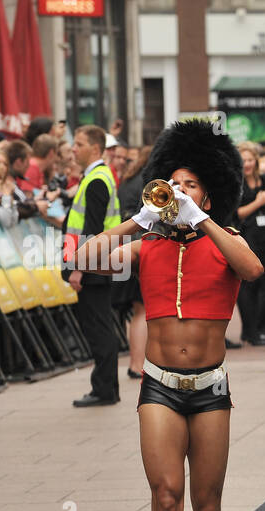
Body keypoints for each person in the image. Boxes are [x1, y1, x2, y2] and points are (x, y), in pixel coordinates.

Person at [75, 119, 259, 511]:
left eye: (192, 185)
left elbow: (250, 267)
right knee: (165, 502)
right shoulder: (147, 247)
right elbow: (83, 259)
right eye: (173, 184)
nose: (181, 192)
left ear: (210, 193)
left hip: (210, 390)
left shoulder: (225, 244)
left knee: (207, 508)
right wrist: (138, 220)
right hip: (159, 387)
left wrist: (202, 221)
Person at [62, 124, 122, 407]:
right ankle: (107, 388)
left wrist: (78, 268)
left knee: (98, 328)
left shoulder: (96, 179)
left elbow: (93, 230)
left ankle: (104, 390)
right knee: (100, 326)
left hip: (94, 267)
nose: (73, 148)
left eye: (79, 143)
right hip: (98, 265)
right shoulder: (96, 177)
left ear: (95, 149)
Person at [116, 144, 152, 379]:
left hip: (129, 246)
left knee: (139, 310)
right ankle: (137, 364)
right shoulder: (149, 181)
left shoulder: (129, 179)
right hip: (142, 247)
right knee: (142, 310)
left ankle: (138, 362)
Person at [234, 142, 265, 345]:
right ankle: (250, 331)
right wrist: (257, 203)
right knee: (248, 287)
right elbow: (238, 213)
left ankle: (261, 327)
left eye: (250, 159)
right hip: (246, 238)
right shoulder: (236, 183)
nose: (247, 164)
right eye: (243, 160)